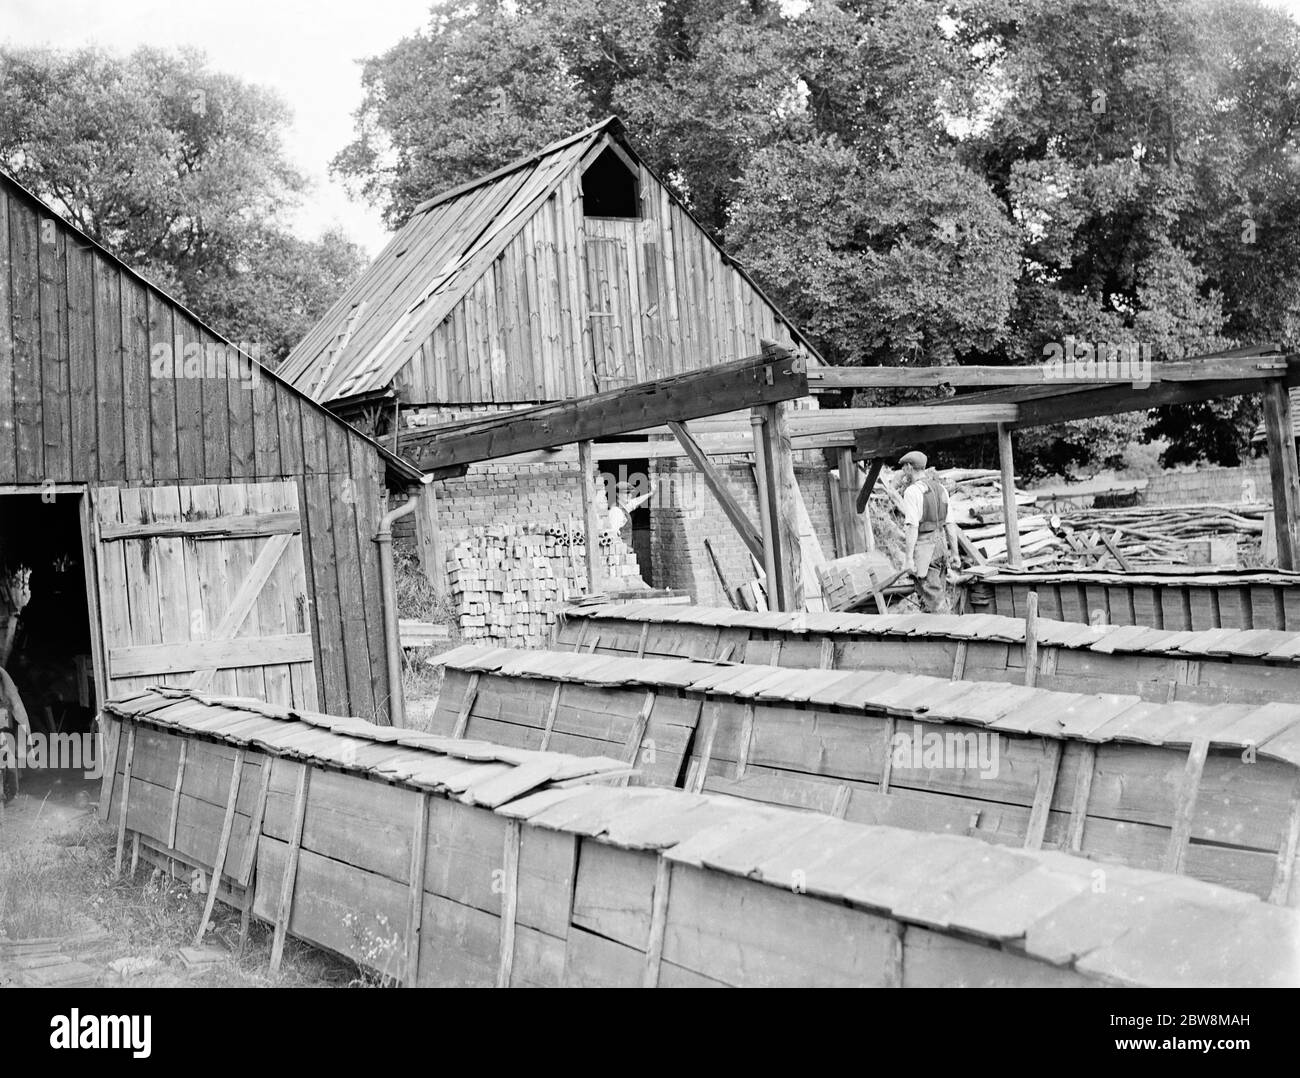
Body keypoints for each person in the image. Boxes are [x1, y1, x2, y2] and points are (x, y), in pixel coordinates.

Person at [897, 451, 960, 613]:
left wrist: (909, 559)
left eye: (904, 467)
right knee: (934, 598)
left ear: (910, 467)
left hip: (925, 550)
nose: (903, 471)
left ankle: (946, 633)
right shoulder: (941, 489)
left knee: (934, 603)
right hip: (941, 547)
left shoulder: (912, 491)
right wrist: (955, 553)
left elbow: (912, 527)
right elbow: (950, 524)